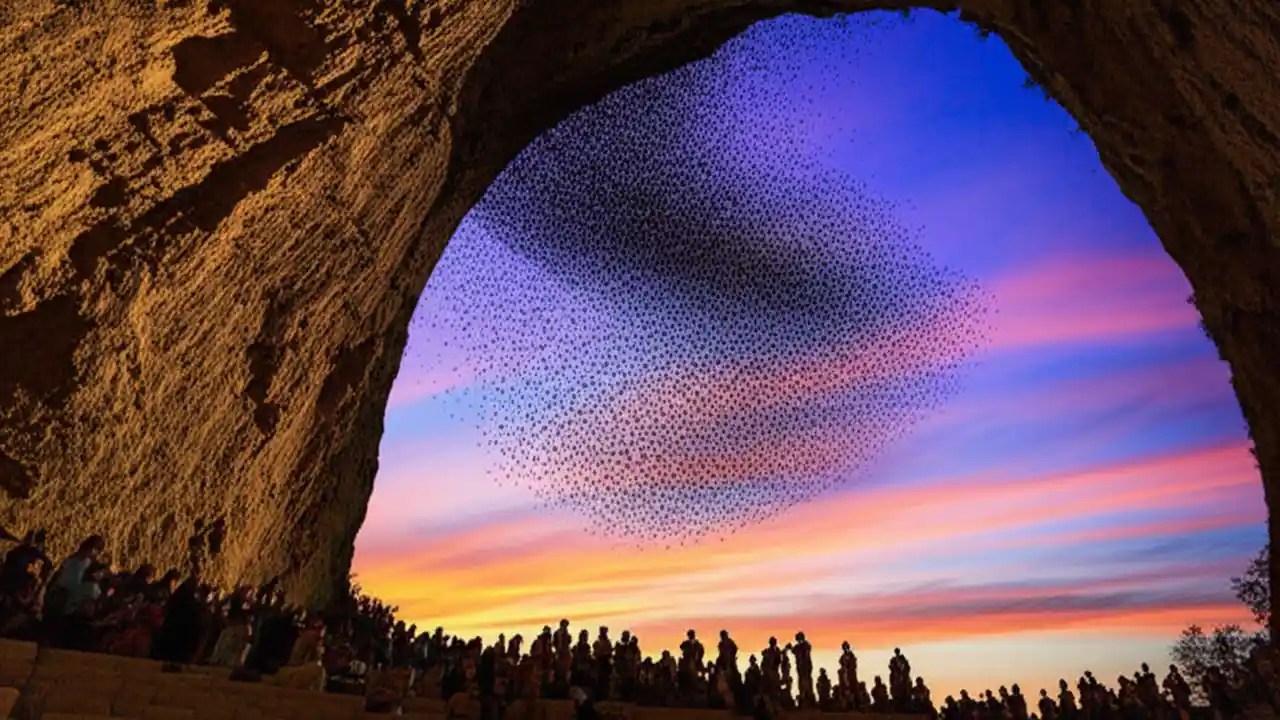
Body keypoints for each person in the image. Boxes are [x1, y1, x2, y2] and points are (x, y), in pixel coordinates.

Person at [792, 632, 814, 708]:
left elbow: (806, 654)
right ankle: (804, 700)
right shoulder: (798, 647)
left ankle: (809, 700)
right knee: (802, 685)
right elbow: (794, 651)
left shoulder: (806, 646)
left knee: (807, 684)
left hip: (806, 669)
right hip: (801, 669)